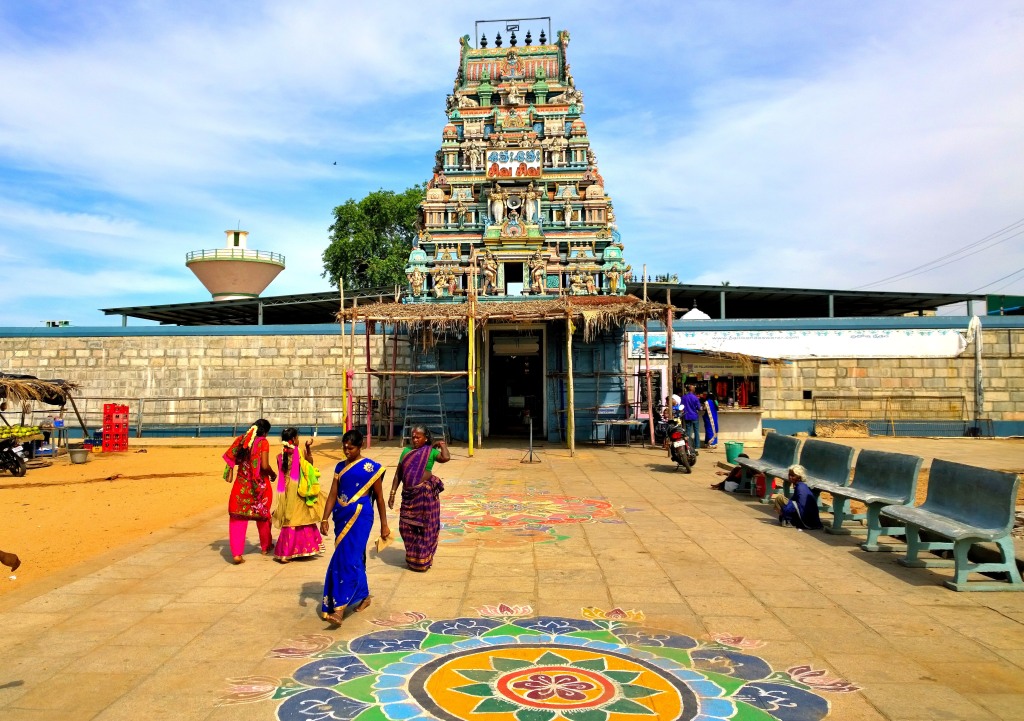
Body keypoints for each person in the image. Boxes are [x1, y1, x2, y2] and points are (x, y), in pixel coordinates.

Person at [320, 429, 390, 625]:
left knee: (348, 559)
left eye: (350, 448)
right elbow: (333, 494)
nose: (347, 451)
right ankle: (364, 595)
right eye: (344, 447)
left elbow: (380, 499)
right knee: (350, 558)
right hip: (341, 516)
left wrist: (384, 525)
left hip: (361, 517)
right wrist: (324, 518)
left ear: (360, 447)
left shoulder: (371, 468)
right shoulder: (339, 467)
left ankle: (340, 609)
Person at [389, 424, 449, 572]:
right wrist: (392, 493)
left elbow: (446, 457)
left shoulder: (431, 452)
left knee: (424, 528)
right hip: (408, 496)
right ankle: (412, 557)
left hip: (424, 496)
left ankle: (423, 559)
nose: (414, 439)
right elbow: (398, 474)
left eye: (418, 437)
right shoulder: (406, 452)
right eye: (413, 437)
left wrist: (442, 444)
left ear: (425, 438)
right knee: (405, 527)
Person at [223, 419, 277, 564]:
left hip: (241, 485)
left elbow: (232, 456)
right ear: (265, 432)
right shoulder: (263, 442)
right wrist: (272, 474)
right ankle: (265, 547)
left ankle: (237, 554)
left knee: (237, 518)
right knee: (263, 515)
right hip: (258, 486)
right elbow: (264, 466)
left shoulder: (242, 440)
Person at [272, 428, 326, 563]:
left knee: (289, 518)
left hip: (285, 490)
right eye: (297, 438)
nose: (298, 440)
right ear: (293, 440)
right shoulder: (299, 453)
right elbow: (310, 464)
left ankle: (288, 551)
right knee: (300, 518)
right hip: (297, 489)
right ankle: (291, 552)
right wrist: (308, 448)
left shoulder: (279, 456)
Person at [772, 464, 823, 530]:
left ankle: (787, 519)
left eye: (793, 476)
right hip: (806, 517)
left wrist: (785, 512)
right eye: (789, 475)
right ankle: (786, 518)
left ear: (799, 477)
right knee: (782, 500)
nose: (790, 477)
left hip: (806, 519)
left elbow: (802, 506)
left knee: (780, 498)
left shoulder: (800, 487)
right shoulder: (800, 485)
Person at [681, 385, 701, 452]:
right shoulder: (695, 398)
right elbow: (699, 408)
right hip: (694, 416)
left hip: (687, 416)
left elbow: (681, 407)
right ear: (693, 390)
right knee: (696, 431)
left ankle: (688, 445)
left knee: (688, 432)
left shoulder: (684, 397)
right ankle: (697, 445)